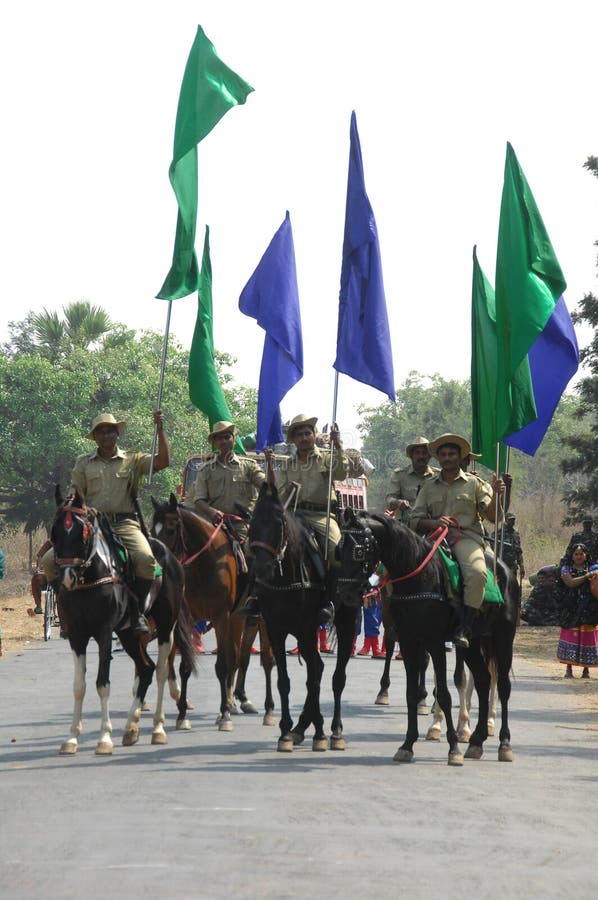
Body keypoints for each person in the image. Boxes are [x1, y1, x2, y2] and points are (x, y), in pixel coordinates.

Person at [42, 410, 170, 636]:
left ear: (117, 434)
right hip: (92, 525)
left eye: (110, 430)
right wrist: (81, 510)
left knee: (146, 559)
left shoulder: (133, 459)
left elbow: (163, 462)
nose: (106, 435)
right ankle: (66, 607)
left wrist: (160, 430)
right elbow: (74, 495)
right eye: (101, 431)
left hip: (124, 524)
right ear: (95, 436)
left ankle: (137, 613)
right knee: (49, 561)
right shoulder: (83, 463)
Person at [410, 432, 505, 649]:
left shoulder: (475, 484)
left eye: (451, 454)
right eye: (442, 454)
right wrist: (434, 523)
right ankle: (399, 621)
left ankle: (465, 627)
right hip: (432, 539)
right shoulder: (428, 485)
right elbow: (415, 519)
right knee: (395, 569)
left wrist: (499, 495)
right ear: (438, 458)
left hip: (465, 538)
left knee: (477, 573)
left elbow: (492, 517)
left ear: (459, 456)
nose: (447, 458)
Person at [265, 413, 349, 626]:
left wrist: (337, 444)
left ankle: (329, 601)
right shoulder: (288, 464)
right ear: (293, 439)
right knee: (264, 544)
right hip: (293, 514)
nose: (304, 437)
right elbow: (280, 492)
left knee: (336, 548)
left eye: (307, 433)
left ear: (313, 435)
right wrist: (286, 490)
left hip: (321, 516)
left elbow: (341, 473)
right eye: (299, 434)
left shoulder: (327, 457)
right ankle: (259, 597)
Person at [193, 420, 266, 619]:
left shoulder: (249, 466)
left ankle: (254, 598)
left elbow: (267, 487)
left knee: (253, 554)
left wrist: (269, 464)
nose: (223, 440)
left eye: (227, 436)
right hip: (213, 523)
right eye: (219, 437)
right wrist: (210, 512)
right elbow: (198, 499)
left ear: (234, 440)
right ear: (214, 442)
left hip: (240, 525)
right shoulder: (205, 469)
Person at [555, 543, 598, 678]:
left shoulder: (593, 569)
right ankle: (569, 670)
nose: (579, 556)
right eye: (576, 554)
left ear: (586, 555)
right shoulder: (565, 569)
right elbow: (570, 583)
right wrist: (587, 576)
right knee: (571, 635)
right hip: (571, 608)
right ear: (572, 556)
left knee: (587, 636)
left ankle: (586, 670)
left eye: (581, 554)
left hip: (588, 609)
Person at [385, 436, 438, 524]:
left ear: (429, 456)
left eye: (424, 453)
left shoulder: (438, 475)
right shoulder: (399, 475)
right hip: (406, 526)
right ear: (411, 456)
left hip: (432, 526)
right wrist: (398, 502)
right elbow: (389, 499)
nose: (421, 456)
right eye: (417, 453)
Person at [490, 511, 525, 591]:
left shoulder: (516, 534)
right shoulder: (498, 533)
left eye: (513, 520)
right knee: (502, 586)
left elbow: (519, 551)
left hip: (512, 565)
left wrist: (522, 566)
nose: (512, 522)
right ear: (506, 520)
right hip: (502, 564)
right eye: (510, 520)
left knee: (512, 587)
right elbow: (491, 547)